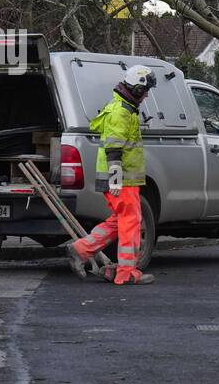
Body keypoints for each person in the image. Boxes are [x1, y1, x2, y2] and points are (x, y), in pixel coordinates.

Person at [66, 65, 157, 285]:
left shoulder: (124, 109)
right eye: (145, 91)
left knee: (120, 221)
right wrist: (116, 179)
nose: (146, 96)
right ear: (136, 89)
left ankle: (80, 249)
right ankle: (126, 273)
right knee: (130, 222)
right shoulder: (121, 112)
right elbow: (114, 149)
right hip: (122, 179)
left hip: (124, 179)